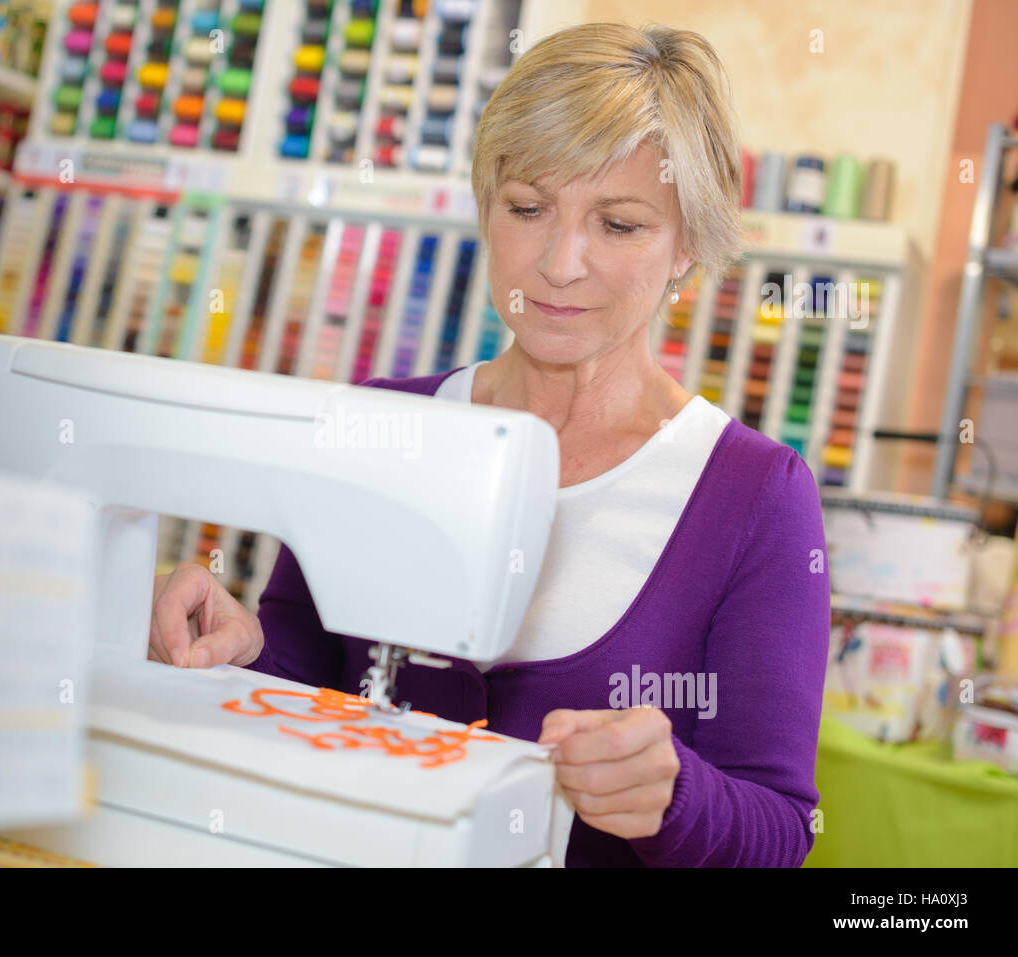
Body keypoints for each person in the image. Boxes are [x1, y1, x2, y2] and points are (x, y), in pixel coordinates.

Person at [148, 21, 830, 867]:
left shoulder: (754, 495)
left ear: (687, 243)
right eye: (527, 207)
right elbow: (304, 679)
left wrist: (676, 795)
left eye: (618, 224)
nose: (559, 261)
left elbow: (782, 829)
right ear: (485, 204)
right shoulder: (378, 423)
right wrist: (238, 648)